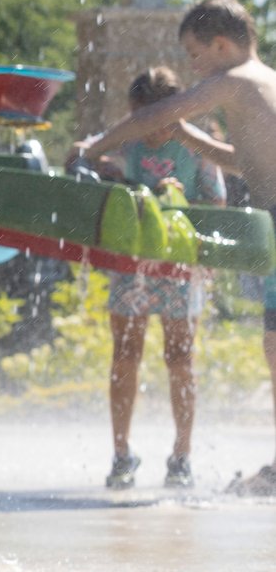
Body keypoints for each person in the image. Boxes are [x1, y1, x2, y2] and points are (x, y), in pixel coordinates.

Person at [79, 0, 276, 494]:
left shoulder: (232, 80)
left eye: (194, 54)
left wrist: (93, 147)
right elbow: (243, 161)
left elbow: (155, 115)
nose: (193, 66)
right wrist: (190, 136)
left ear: (221, 44)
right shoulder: (265, 81)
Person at [88, 67, 226, 490]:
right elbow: (90, 163)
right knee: (125, 355)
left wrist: (179, 196)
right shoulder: (125, 143)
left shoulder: (195, 147)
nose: (150, 130)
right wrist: (112, 174)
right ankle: (121, 453)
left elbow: (217, 202)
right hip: (132, 267)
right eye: (141, 119)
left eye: (158, 119)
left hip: (181, 270)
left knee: (180, 359)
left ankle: (181, 456)